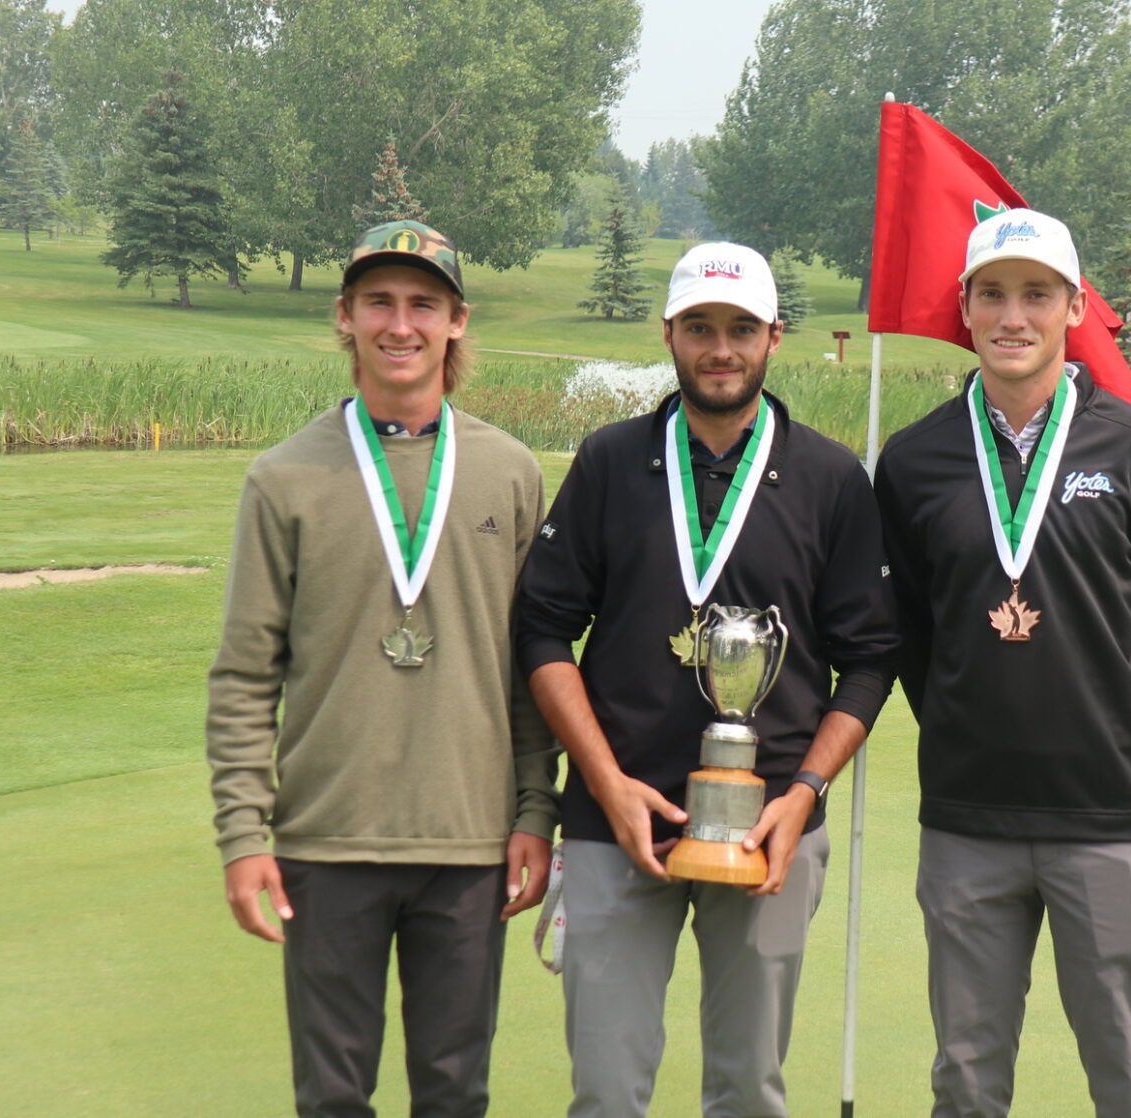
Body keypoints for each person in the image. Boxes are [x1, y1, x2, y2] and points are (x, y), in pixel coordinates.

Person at [513, 242, 899, 1118]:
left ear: (774, 337)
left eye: (740, 329)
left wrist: (803, 795)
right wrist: (605, 785)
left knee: (749, 1091)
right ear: (670, 334)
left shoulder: (831, 478)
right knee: (606, 1093)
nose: (720, 349)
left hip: (770, 828)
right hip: (615, 820)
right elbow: (542, 629)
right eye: (699, 328)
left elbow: (872, 658)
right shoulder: (609, 461)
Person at [206, 219, 559, 1118]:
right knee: (332, 1098)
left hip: (470, 842)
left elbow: (532, 666)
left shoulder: (510, 472)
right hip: (326, 840)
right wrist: (244, 835)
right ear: (346, 316)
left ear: (456, 321)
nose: (401, 325)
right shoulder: (284, 477)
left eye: (423, 305)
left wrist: (534, 812)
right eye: (379, 303)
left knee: (454, 1094)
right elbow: (245, 676)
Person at [873, 208, 1131, 1118]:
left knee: (1130, 1080)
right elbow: (910, 633)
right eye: (992, 295)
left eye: (1036, 295)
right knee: (966, 1082)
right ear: (965, 309)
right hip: (966, 818)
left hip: (1106, 817)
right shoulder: (914, 459)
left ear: (1075, 307)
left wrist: (1113, 733)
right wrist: (967, 717)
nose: (1013, 316)